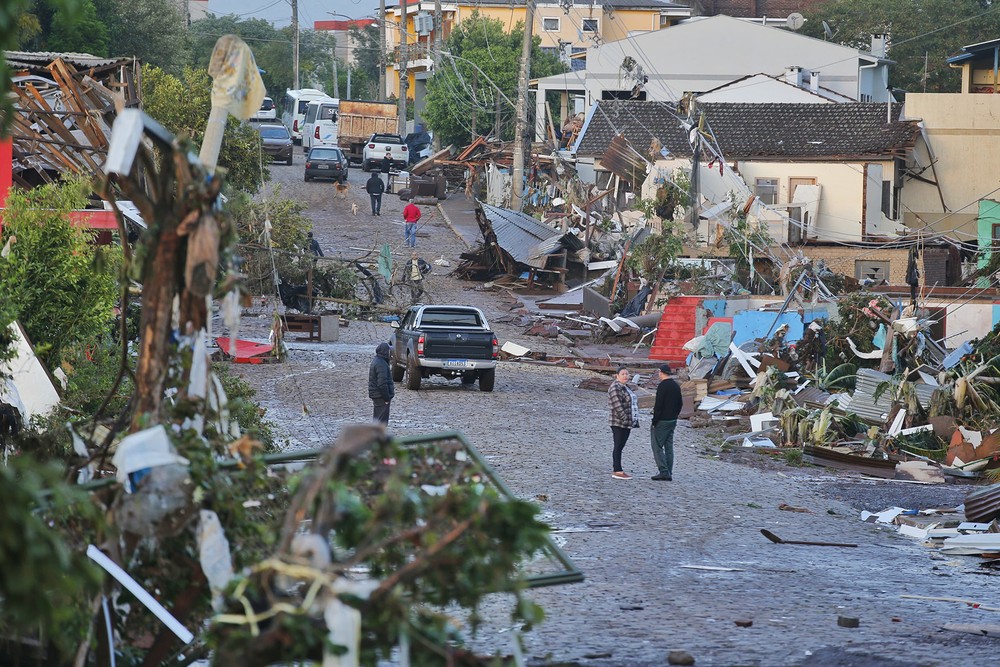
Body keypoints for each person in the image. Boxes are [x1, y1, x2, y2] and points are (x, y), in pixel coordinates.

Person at [650, 364, 682, 481]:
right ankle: (669, 470)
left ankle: (663, 471)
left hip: (662, 420)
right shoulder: (675, 385)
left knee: (657, 446)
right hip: (672, 420)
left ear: (661, 372)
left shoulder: (662, 386)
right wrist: (675, 415)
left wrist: (655, 420)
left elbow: (658, 405)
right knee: (669, 446)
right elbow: (680, 404)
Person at [608, 367, 639, 480]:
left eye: (627, 374)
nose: (625, 376)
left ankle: (618, 468)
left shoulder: (626, 387)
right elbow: (617, 406)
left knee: (620, 446)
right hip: (618, 422)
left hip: (627, 422)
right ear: (617, 375)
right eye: (623, 374)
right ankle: (617, 470)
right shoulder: (615, 387)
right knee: (618, 445)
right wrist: (625, 418)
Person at [368, 342, 395, 424]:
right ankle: (377, 436)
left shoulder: (378, 361)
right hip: (380, 396)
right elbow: (382, 383)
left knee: (378, 419)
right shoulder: (381, 364)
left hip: (377, 395)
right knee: (381, 421)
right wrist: (386, 398)